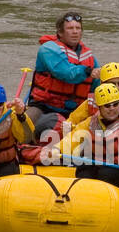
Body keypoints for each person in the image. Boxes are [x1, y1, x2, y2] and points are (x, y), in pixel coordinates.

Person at [42, 83, 119, 196]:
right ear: (99, 107)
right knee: (84, 169)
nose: (112, 109)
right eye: (107, 105)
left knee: (107, 174)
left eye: (115, 104)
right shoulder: (92, 123)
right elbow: (73, 137)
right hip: (110, 165)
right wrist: (57, 149)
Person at [26, 12, 99, 140]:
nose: (75, 32)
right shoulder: (48, 49)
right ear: (60, 32)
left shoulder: (90, 58)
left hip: (76, 111)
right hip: (44, 106)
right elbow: (66, 73)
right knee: (25, 126)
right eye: (70, 28)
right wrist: (88, 72)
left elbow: (97, 87)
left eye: (78, 28)